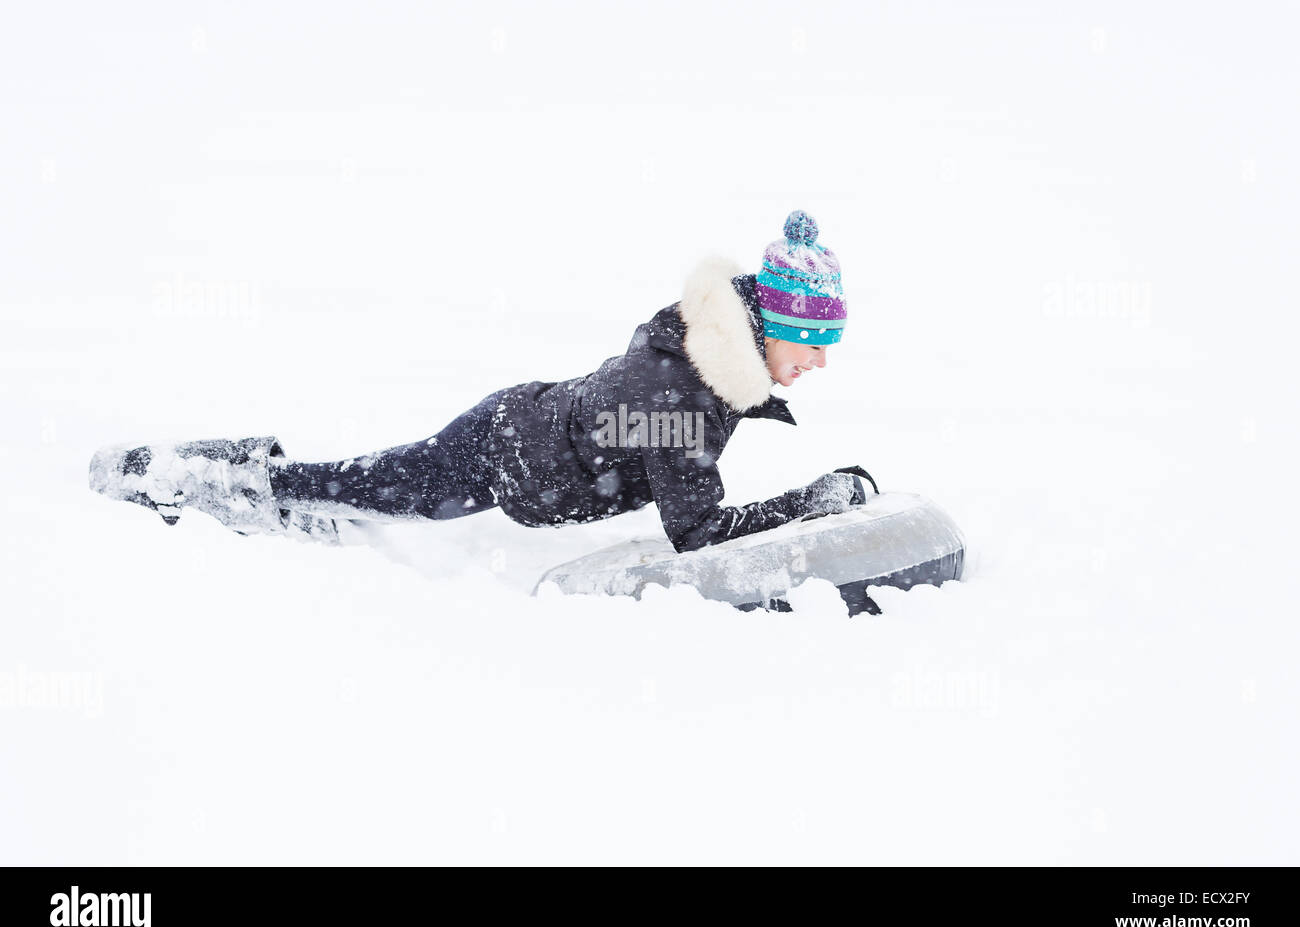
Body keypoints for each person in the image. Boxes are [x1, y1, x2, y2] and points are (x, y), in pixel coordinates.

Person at [89, 210, 869, 553]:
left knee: (370, 477)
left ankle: (276, 480)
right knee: (367, 484)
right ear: (772, 328)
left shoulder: (707, 340)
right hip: (502, 459)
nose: (821, 363)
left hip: (517, 423)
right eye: (813, 342)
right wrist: (812, 502)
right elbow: (696, 533)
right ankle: (192, 477)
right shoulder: (684, 400)